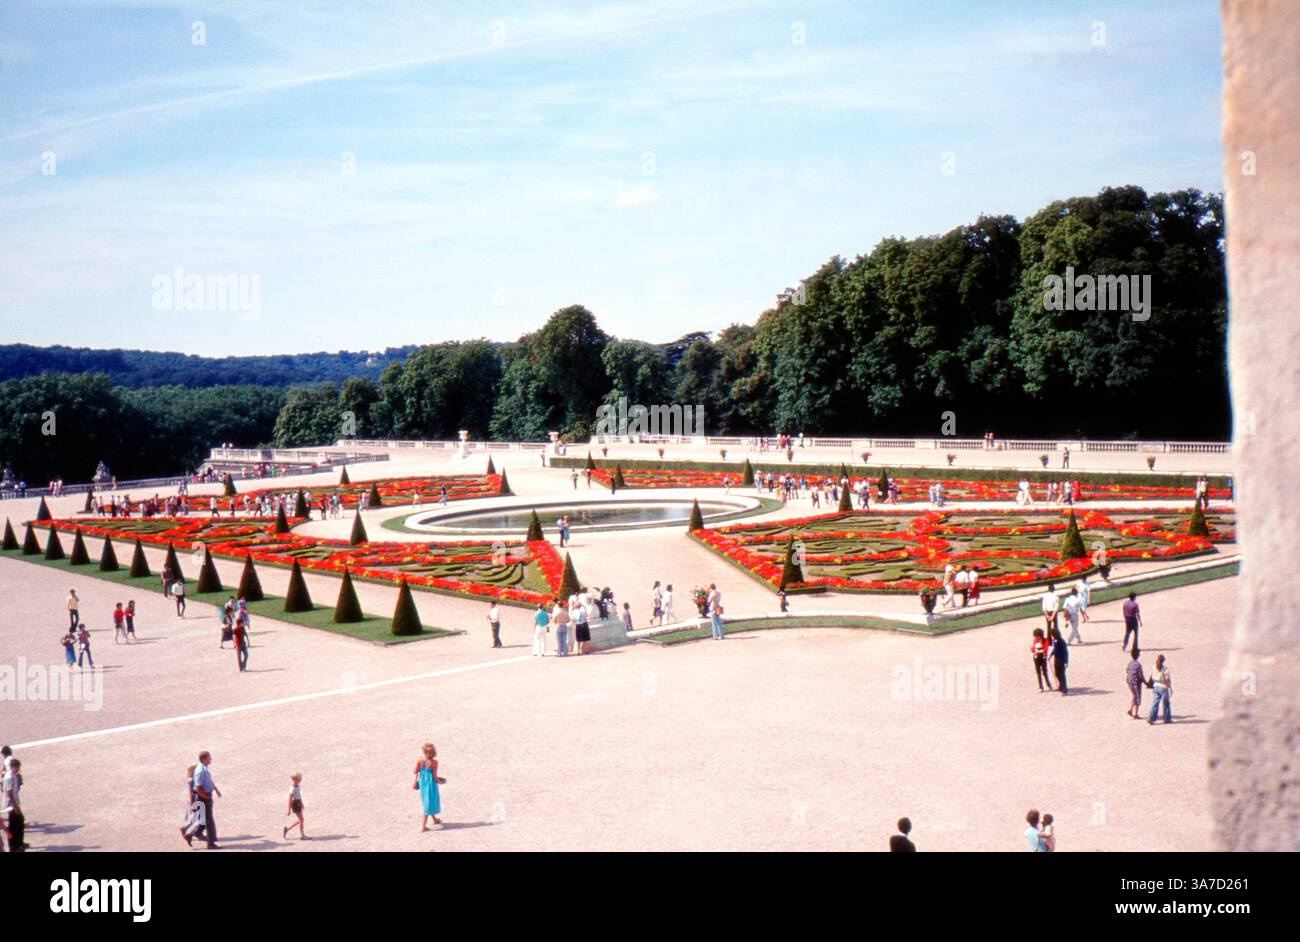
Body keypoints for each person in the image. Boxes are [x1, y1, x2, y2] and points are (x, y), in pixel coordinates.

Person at [191, 751, 221, 849]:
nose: (210, 759)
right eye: (209, 758)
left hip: (205, 796)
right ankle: (210, 843)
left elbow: (208, 780)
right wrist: (207, 798)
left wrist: (216, 790)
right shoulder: (200, 771)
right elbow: (198, 788)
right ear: (204, 759)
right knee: (209, 821)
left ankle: (194, 834)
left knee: (204, 819)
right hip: (203, 797)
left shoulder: (204, 768)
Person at [413, 743, 445, 830]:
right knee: (429, 803)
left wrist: (415, 782)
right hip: (431, 785)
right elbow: (434, 777)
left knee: (427, 801)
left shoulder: (420, 760)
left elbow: (415, 771)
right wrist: (440, 781)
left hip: (423, 784)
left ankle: (434, 819)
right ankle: (423, 827)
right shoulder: (434, 762)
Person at [3, 758, 24, 852]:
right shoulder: (9, 777)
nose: (18, 769)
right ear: (12, 767)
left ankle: (19, 843)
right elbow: (9, 792)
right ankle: (13, 846)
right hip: (10, 805)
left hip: (15, 802)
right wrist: (15, 806)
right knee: (13, 825)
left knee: (20, 821)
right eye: (17, 767)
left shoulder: (14, 775)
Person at [1147, 655, 1172, 725]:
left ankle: (1151, 718)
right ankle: (1167, 718)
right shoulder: (1165, 669)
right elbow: (1167, 679)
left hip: (1156, 686)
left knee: (1155, 703)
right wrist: (1169, 686)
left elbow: (1151, 676)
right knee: (1166, 704)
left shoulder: (1154, 666)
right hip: (1163, 687)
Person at [283, 772, 307, 840]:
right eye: (299, 779)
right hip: (295, 804)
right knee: (301, 819)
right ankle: (302, 835)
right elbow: (290, 799)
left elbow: (299, 796)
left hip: (298, 802)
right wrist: (289, 809)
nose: (300, 780)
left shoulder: (298, 786)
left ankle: (287, 829)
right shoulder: (292, 788)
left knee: (301, 819)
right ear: (295, 780)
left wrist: (302, 803)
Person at [1126, 648, 1147, 719]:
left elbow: (1127, 670)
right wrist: (1146, 683)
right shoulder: (1138, 665)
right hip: (1136, 683)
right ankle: (1136, 714)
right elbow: (1141, 675)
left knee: (1134, 695)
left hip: (1130, 682)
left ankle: (1131, 710)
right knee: (1137, 697)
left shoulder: (1130, 663)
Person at [1049, 627, 1069, 695]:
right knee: (1057, 674)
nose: (1051, 636)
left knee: (1062, 675)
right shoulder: (1055, 641)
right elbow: (1055, 649)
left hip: (1061, 660)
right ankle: (1061, 686)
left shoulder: (1061, 641)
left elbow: (1065, 652)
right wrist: (1051, 655)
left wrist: (1066, 662)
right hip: (1056, 659)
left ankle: (1064, 689)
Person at [233, 600, 250, 672]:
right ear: (239, 623)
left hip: (243, 643)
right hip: (238, 644)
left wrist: (248, 642)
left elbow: (245, 634)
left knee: (246, 655)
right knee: (239, 657)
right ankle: (241, 668)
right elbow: (232, 635)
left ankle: (243, 666)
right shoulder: (236, 629)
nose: (243, 623)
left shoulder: (243, 628)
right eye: (242, 623)